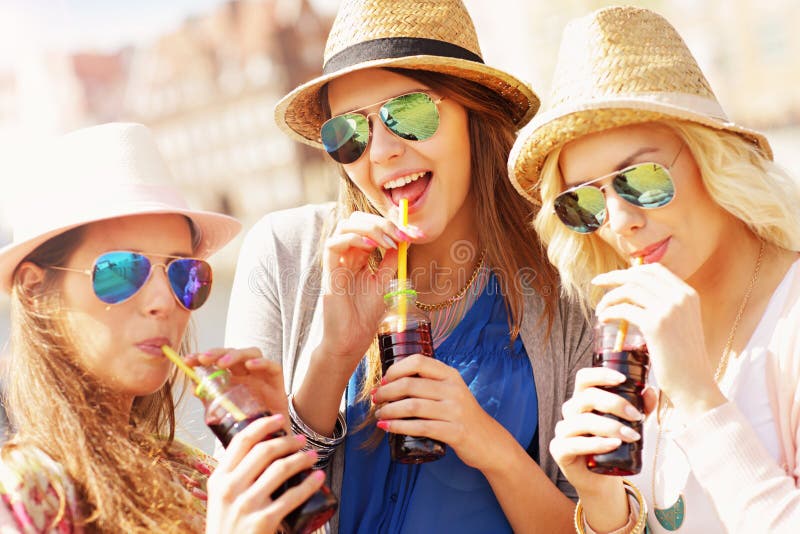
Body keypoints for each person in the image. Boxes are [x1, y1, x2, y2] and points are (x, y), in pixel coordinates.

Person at [225, 0, 593, 532]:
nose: (380, 152)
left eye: (410, 113)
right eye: (348, 133)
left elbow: (603, 520)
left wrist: (488, 443)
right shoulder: (286, 255)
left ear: (474, 112)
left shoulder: (565, 274)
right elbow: (250, 507)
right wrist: (333, 357)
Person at [507, 6, 800, 533]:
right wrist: (602, 503)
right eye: (585, 203)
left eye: (640, 178)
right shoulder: (639, 338)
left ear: (715, 160)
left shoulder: (790, 319)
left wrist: (698, 397)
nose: (620, 221)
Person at [0, 123, 327, 533]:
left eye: (183, 274)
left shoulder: (196, 475)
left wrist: (271, 465)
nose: (163, 302)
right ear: (34, 290)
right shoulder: (20, 499)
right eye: (121, 271)